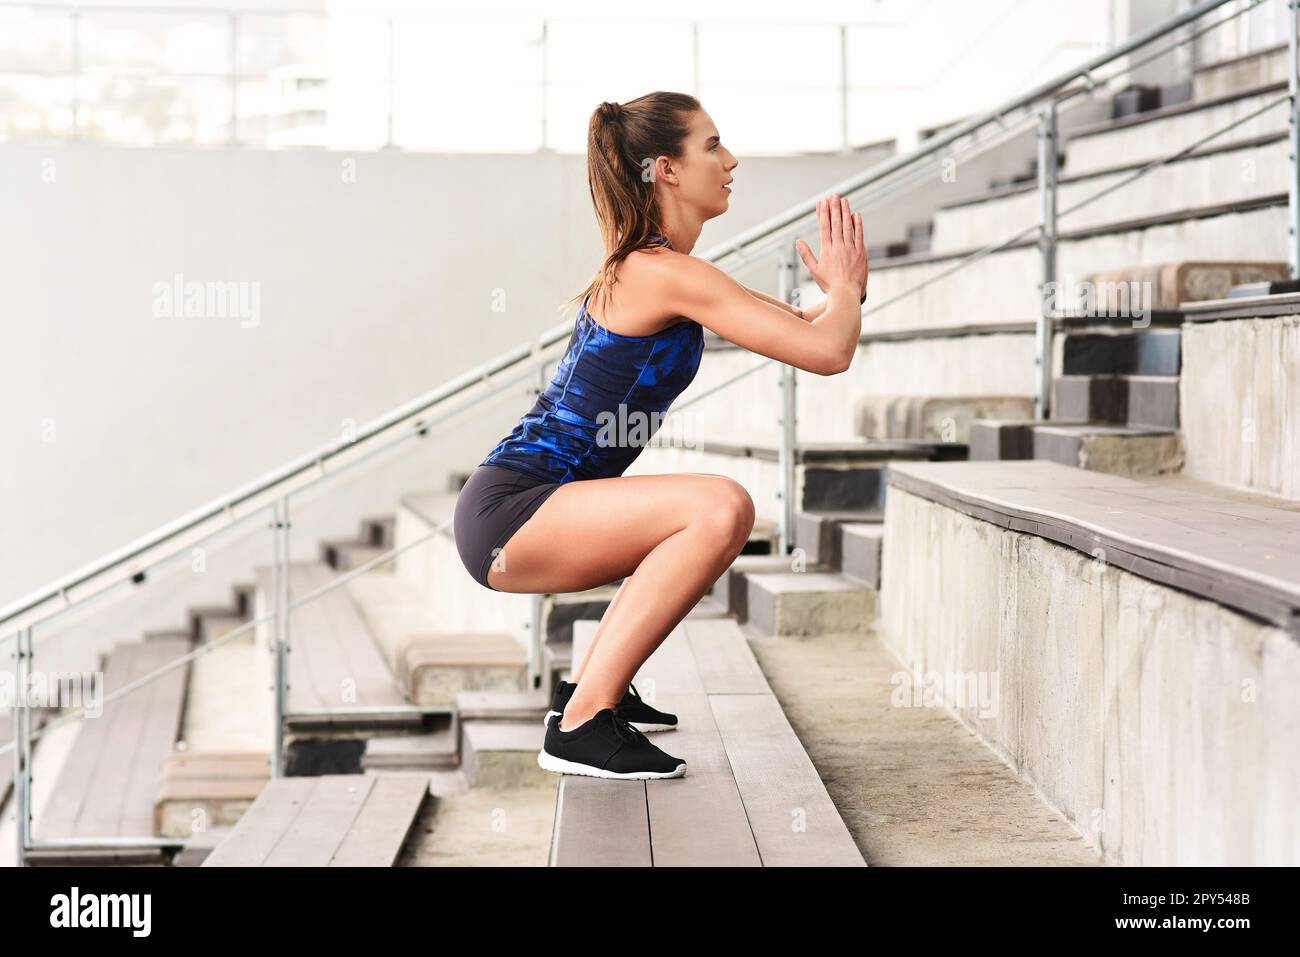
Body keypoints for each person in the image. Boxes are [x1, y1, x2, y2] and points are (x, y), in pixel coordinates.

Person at [453, 91, 868, 780]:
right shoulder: (664, 273)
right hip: (514, 511)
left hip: (516, 508)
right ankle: (584, 724)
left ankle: (585, 693)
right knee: (720, 506)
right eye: (712, 146)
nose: (730, 161)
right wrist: (847, 294)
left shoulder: (658, 270)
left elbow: (808, 327)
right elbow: (830, 350)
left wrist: (841, 296)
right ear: (666, 170)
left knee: (708, 511)